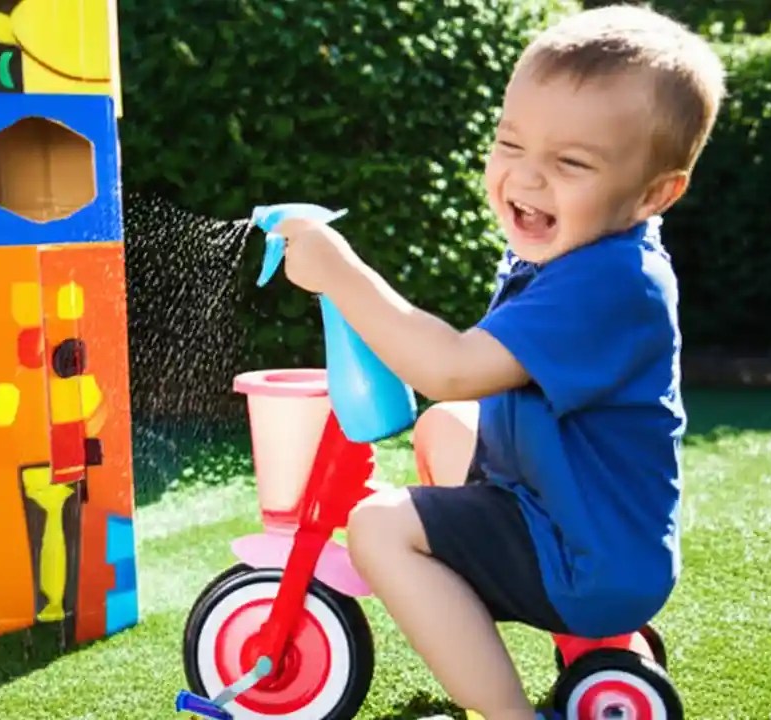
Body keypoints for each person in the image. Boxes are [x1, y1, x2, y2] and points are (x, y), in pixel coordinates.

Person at [271, 5, 726, 719]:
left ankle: (511, 715)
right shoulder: (583, 248)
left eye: (570, 162)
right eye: (510, 143)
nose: (526, 177)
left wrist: (342, 274)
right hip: (574, 514)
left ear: (653, 193)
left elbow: (451, 366)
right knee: (447, 427)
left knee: (376, 526)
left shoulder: (608, 281)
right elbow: (462, 392)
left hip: (586, 559)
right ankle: (591, 645)